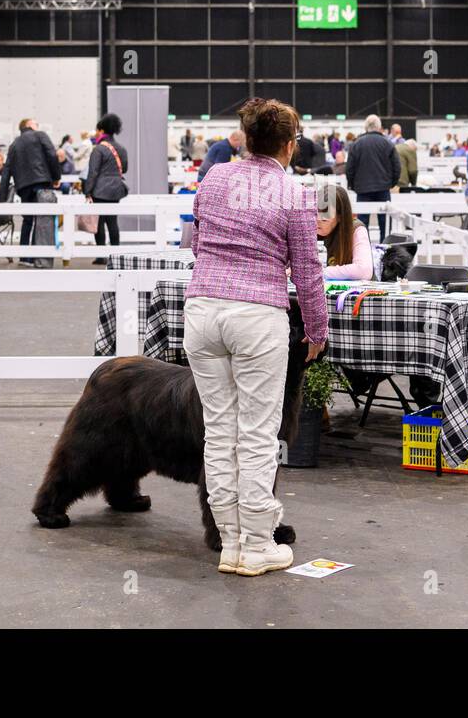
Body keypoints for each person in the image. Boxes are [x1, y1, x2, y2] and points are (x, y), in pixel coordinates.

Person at [184, 97, 327, 577]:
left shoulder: (214, 178)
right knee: (259, 435)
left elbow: (198, 242)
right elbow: (307, 271)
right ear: (290, 145)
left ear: (244, 138)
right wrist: (316, 328)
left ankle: (228, 543)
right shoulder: (295, 193)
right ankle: (257, 545)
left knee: (218, 431)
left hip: (203, 311)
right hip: (257, 316)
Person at [0, 118, 62, 268]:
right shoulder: (40, 135)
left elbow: (6, 172)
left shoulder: (14, 144)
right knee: (41, 220)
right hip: (42, 182)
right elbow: (52, 155)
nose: (38, 126)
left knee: (28, 220)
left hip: (24, 188)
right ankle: (37, 258)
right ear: (28, 126)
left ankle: (24, 257)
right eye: (35, 123)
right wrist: (56, 177)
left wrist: (2, 200)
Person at [345, 114, 400, 239]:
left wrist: (353, 185)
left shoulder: (356, 144)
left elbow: (349, 168)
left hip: (362, 190)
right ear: (379, 127)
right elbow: (397, 167)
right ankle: (385, 252)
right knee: (385, 224)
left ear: (366, 127)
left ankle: (363, 252)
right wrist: (391, 184)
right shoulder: (388, 143)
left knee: (362, 225)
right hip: (383, 188)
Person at [84, 113, 128, 262]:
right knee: (113, 222)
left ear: (102, 131)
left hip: (100, 191)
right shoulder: (121, 148)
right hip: (115, 190)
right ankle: (116, 256)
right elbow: (125, 168)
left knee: (100, 223)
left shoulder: (99, 149)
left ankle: (101, 256)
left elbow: (93, 172)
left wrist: (87, 191)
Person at [316, 184, 374, 281]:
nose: (317, 222)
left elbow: (364, 271)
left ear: (340, 217)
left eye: (325, 219)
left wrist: (319, 272)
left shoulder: (356, 229)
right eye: (314, 216)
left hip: (356, 293)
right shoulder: (306, 226)